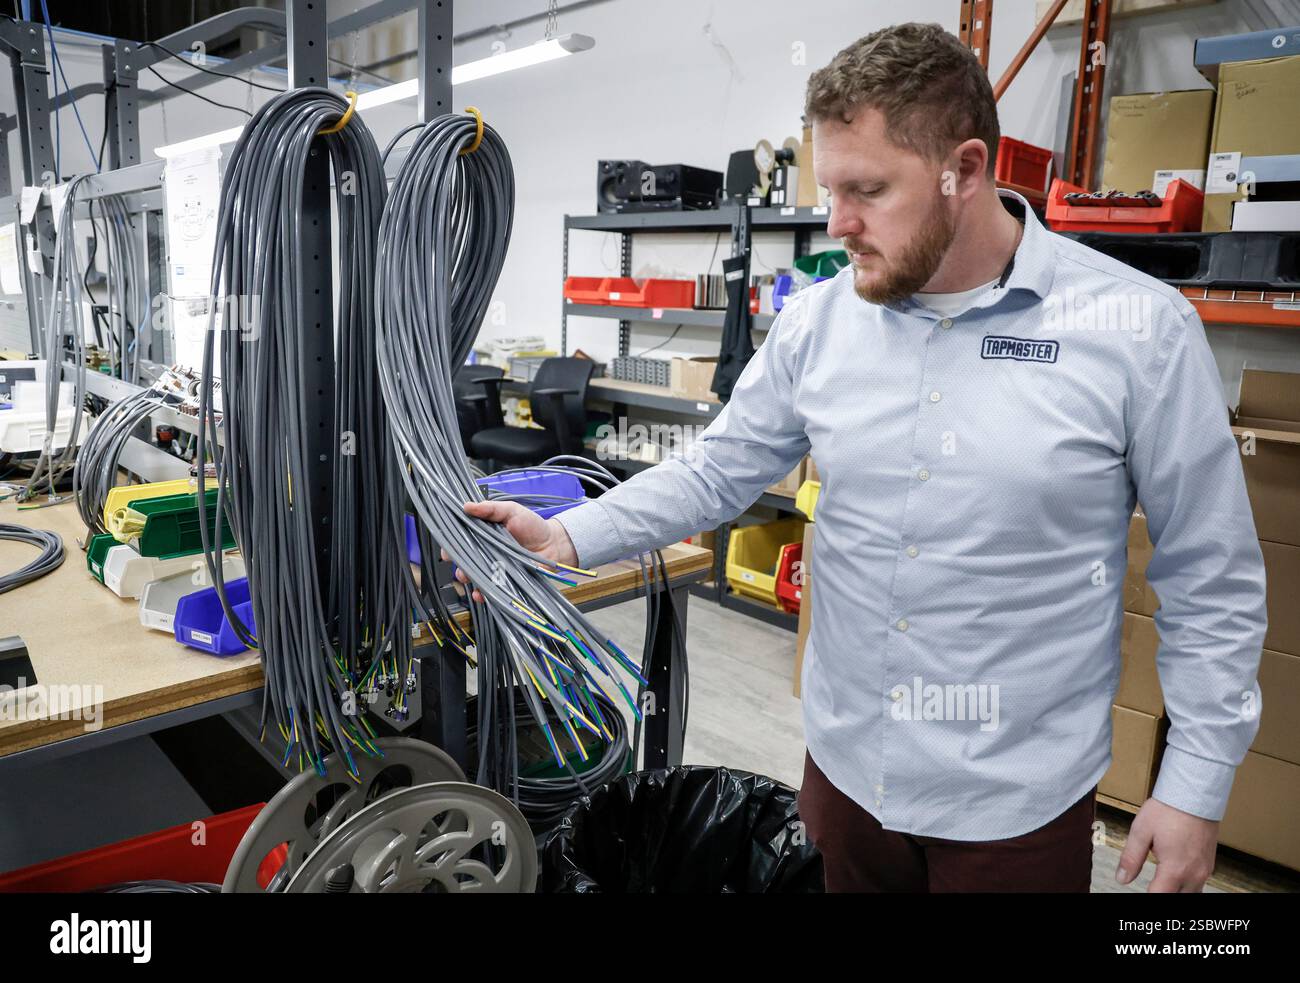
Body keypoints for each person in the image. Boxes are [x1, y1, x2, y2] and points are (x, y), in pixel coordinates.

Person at [455, 22, 1266, 893]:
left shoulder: (1136, 331)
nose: (838, 224)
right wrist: (569, 535)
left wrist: (1195, 783)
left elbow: (1209, 572)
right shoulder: (820, 322)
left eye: (868, 190)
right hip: (844, 782)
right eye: (831, 188)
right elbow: (716, 470)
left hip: (1014, 808)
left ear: (966, 169)